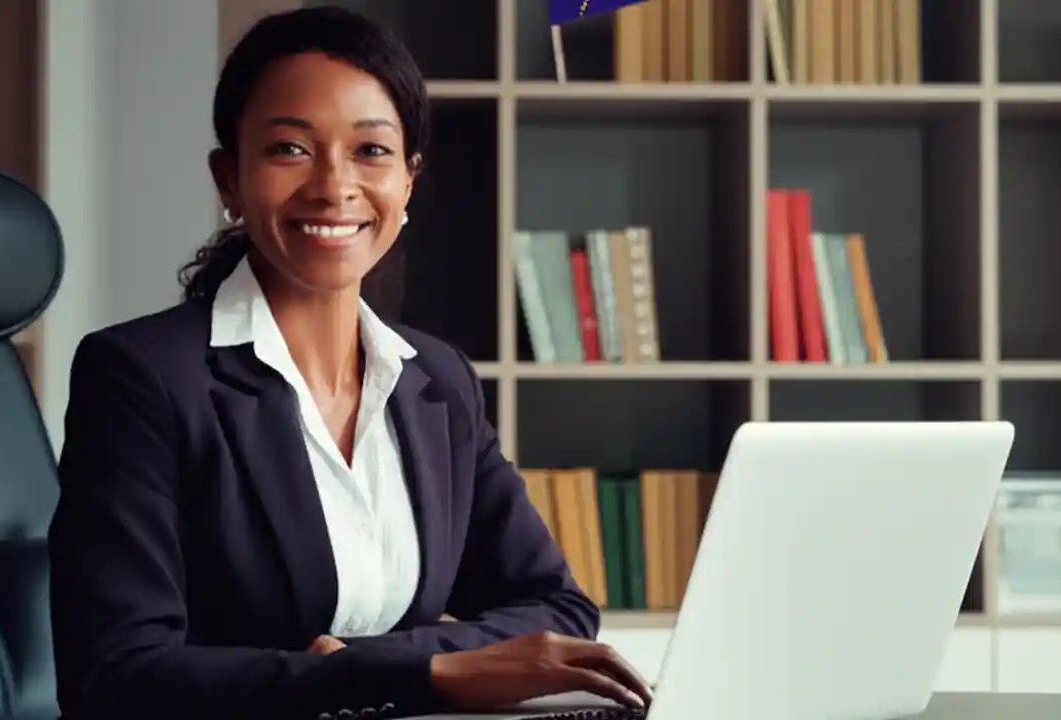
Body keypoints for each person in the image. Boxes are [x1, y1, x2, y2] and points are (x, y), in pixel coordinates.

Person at [46, 6, 652, 719]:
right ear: (229, 180)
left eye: (371, 151)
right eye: (290, 149)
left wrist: (390, 665)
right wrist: (426, 672)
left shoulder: (438, 381)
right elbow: (117, 677)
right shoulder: (143, 377)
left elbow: (557, 607)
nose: (335, 187)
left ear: (409, 181)